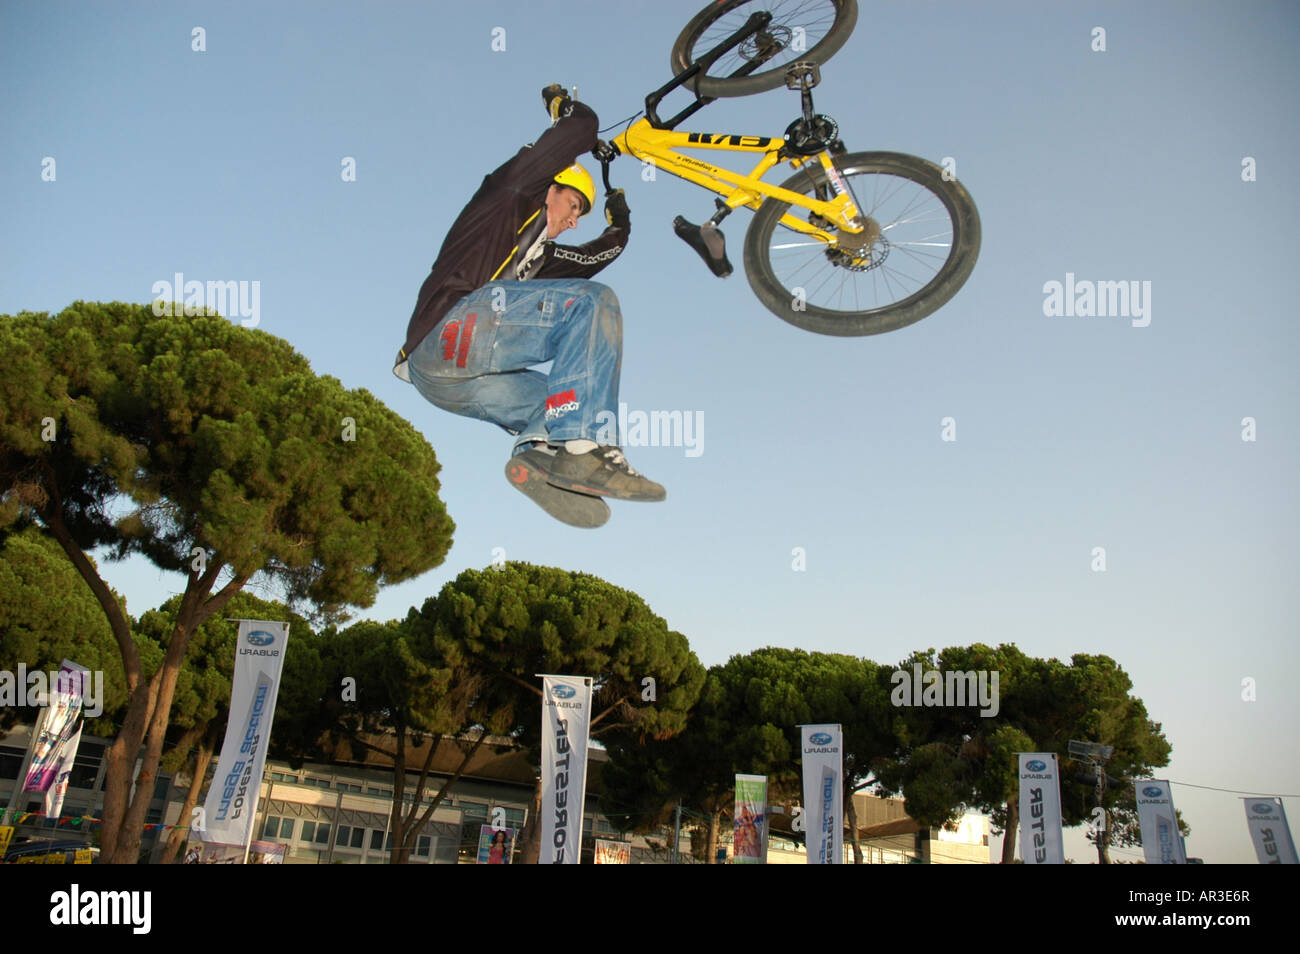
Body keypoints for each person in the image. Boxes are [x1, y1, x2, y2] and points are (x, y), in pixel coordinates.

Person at [395, 84, 665, 528]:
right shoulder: (510, 195)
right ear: (550, 188)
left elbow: (601, 254)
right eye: (573, 205)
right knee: (593, 304)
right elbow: (583, 125)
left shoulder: (543, 262)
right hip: (448, 329)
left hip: (445, 383)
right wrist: (560, 102)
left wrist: (621, 218)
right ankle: (583, 448)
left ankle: (540, 455)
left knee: (562, 398)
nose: (573, 220)